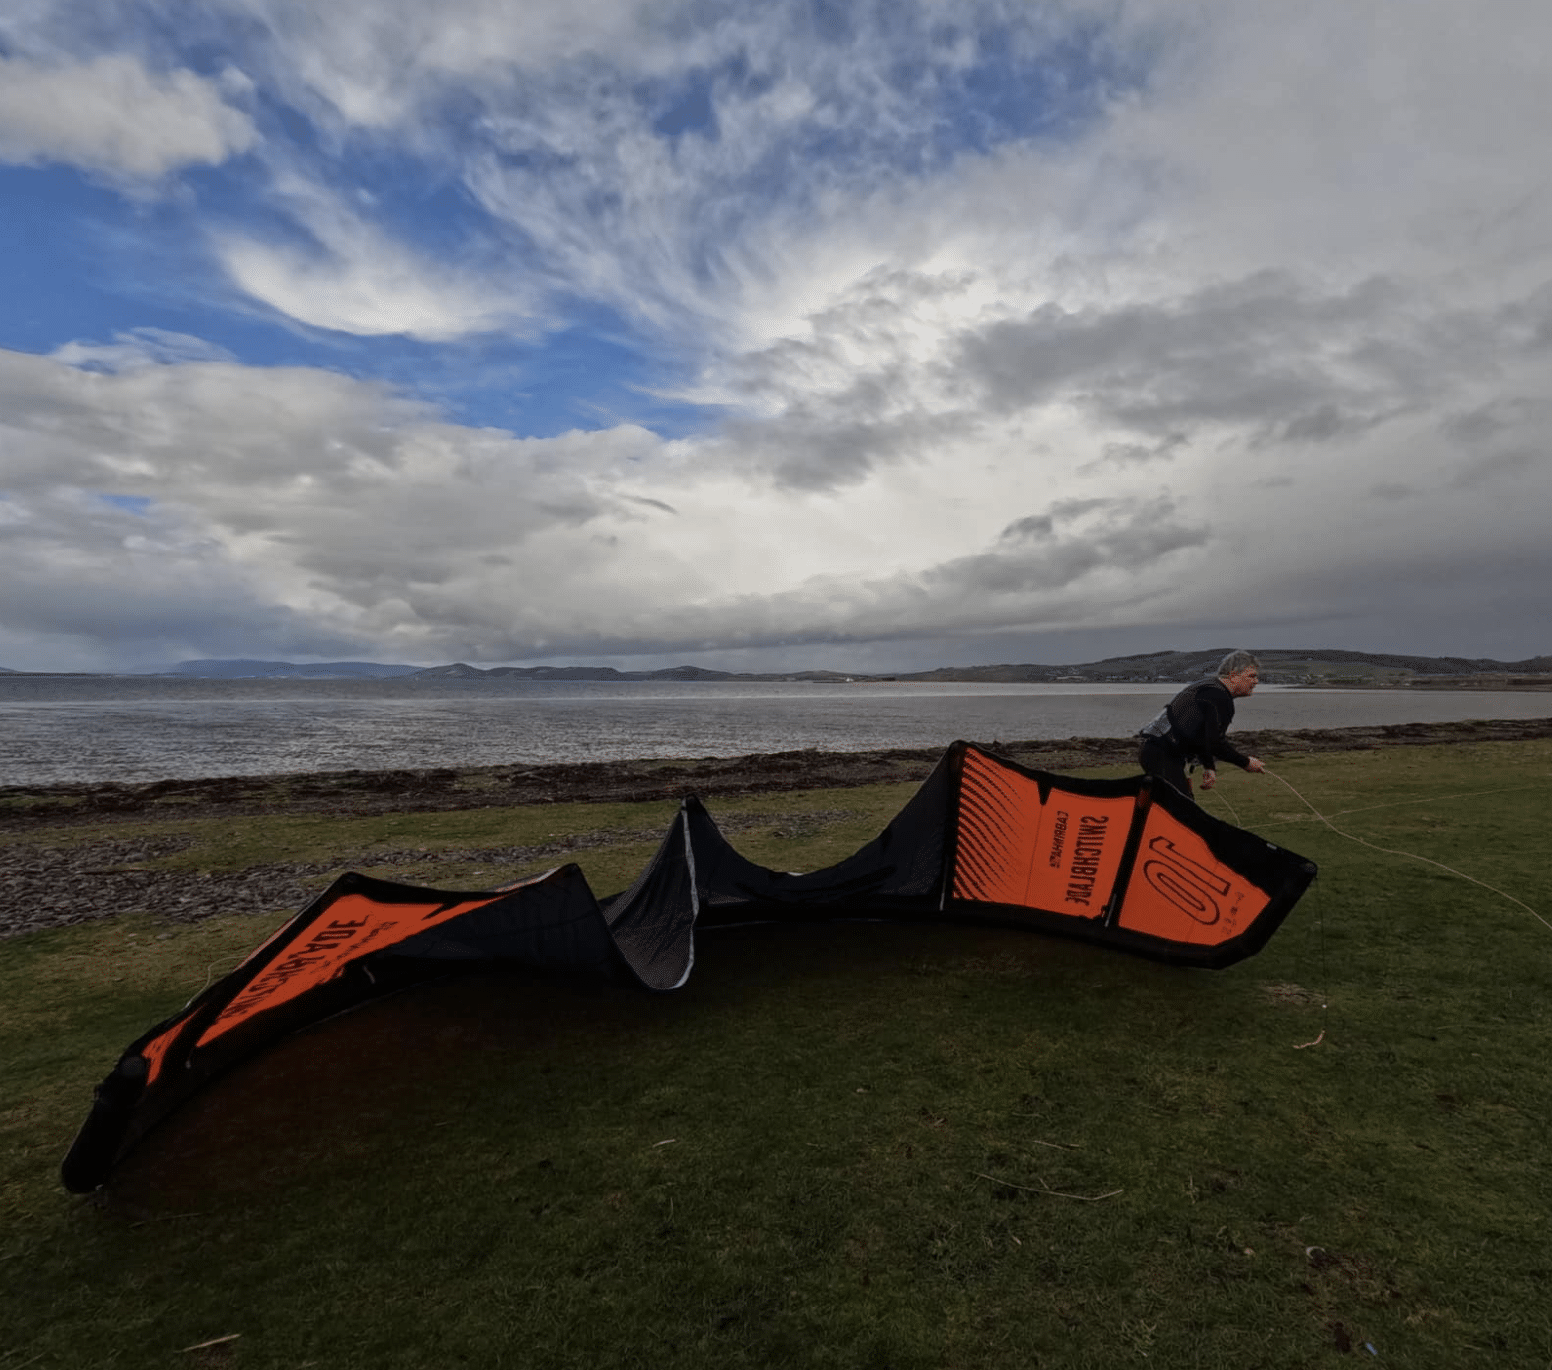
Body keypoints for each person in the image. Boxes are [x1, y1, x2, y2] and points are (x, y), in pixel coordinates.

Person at [1137, 650, 1267, 799]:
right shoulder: (1218, 696)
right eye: (1251, 676)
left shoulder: (1210, 688)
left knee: (1176, 806)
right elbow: (1215, 742)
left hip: (1155, 751)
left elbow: (1200, 736)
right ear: (1233, 675)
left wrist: (1209, 766)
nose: (1256, 681)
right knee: (1180, 808)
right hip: (1162, 753)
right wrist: (1246, 762)